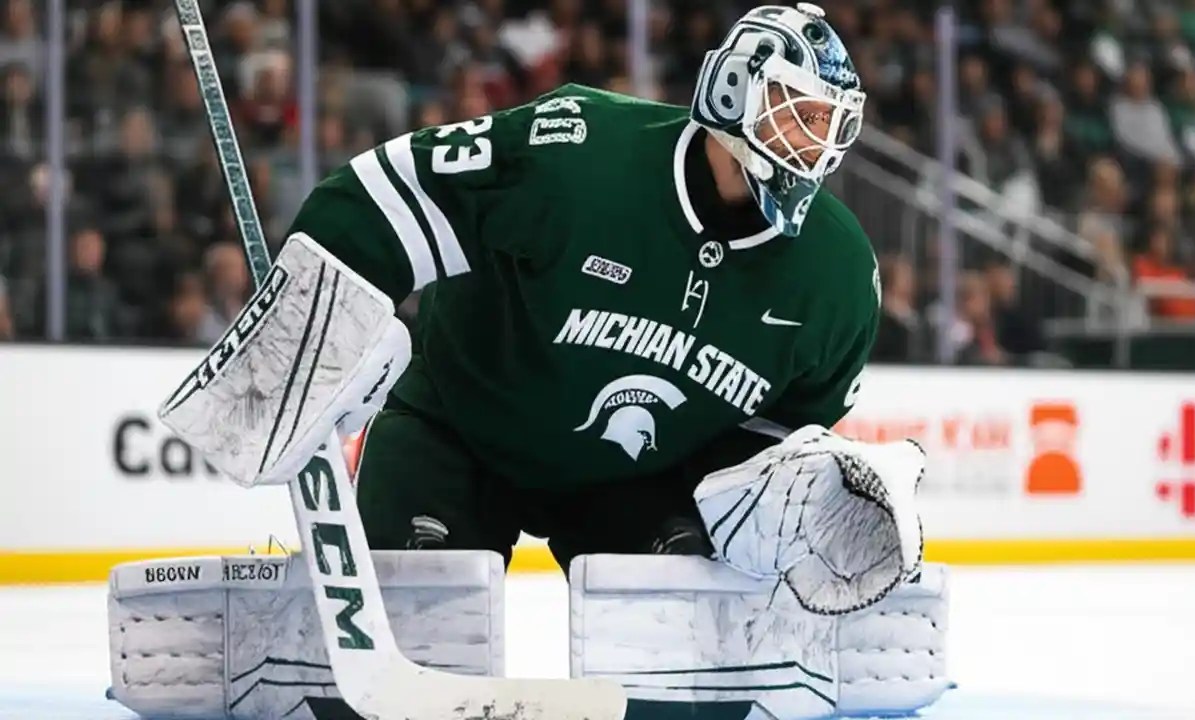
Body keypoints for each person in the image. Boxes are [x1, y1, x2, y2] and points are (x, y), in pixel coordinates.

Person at [163, 3, 893, 578]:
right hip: (456, 433)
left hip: (636, 479)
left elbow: (782, 432)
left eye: (829, 123)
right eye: (798, 113)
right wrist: (300, 331)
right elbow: (383, 194)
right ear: (733, 90)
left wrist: (784, 503)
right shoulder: (580, 153)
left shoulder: (838, 275)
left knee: (686, 678)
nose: (815, 143)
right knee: (414, 633)